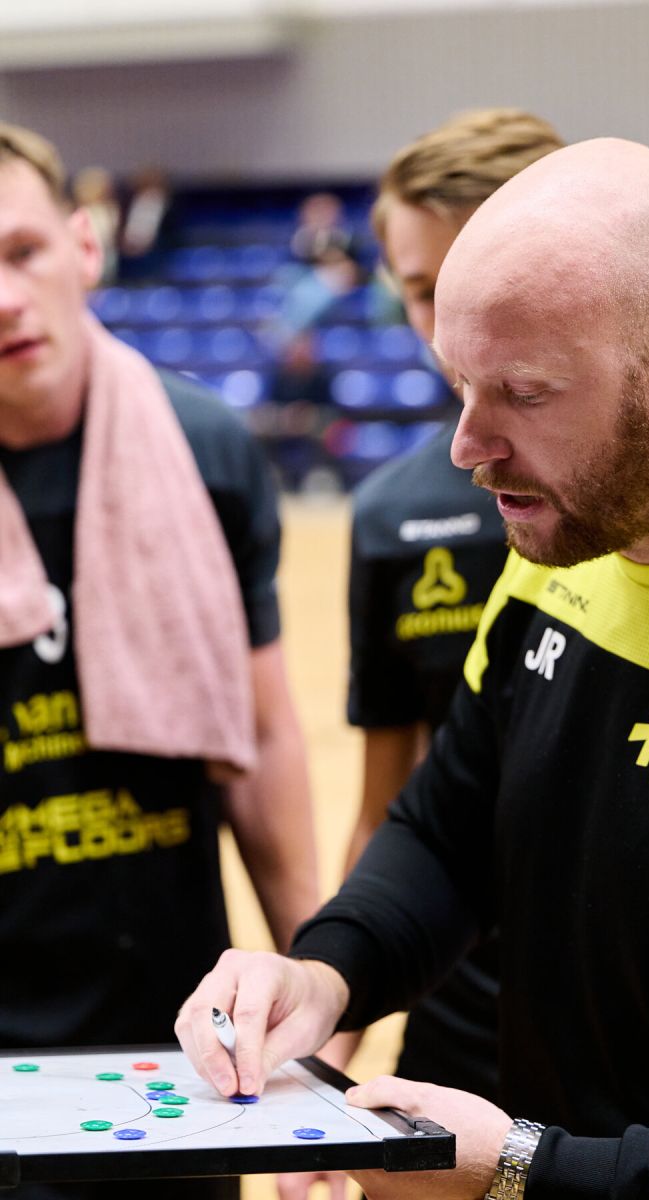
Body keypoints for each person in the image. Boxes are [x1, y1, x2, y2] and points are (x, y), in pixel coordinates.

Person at [176, 136, 649, 1200]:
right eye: (459, 384)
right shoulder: (568, 545)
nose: (469, 444)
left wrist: (525, 1166)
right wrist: (326, 971)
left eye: (523, 391)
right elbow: (453, 825)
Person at [0, 122, 319, 1200]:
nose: (2, 296)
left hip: (178, 1042)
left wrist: (313, 989)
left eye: (23, 252)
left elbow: (267, 736)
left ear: (86, 247)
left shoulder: (206, 447)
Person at [346, 107, 564, 1093]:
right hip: (455, 1029)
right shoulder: (393, 517)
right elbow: (389, 803)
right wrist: (334, 1025)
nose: (451, 327)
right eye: (424, 290)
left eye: (482, 282)